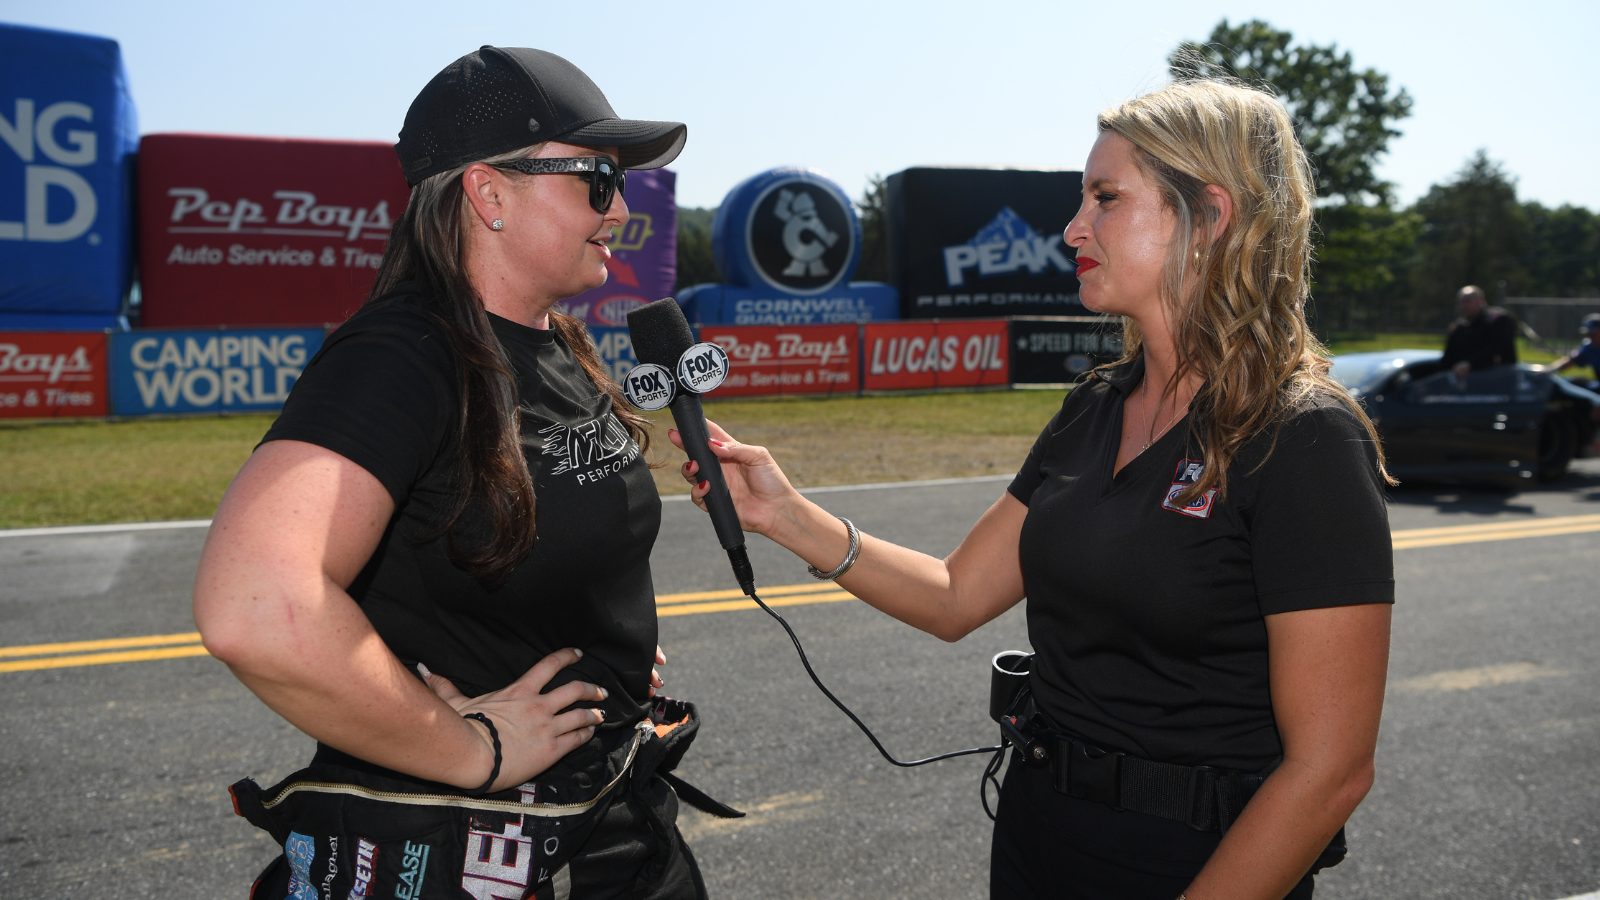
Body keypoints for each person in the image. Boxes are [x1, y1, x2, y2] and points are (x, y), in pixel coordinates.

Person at [674, 80, 1394, 899]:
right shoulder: (1094, 406)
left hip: (1194, 865)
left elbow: (1330, 771)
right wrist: (785, 514)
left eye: (1106, 198)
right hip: (1038, 837)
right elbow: (955, 596)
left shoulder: (1304, 438)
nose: (1072, 228)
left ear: (1212, 215)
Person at [193, 46, 716, 899]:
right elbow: (256, 606)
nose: (618, 207)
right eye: (594, 177)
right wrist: (470, 748)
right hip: (483, 850)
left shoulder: (554, 341)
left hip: (612, 822)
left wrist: (602, 640)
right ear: (487, 192)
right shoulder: (402, 357)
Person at [1441, 284, 1519, 378]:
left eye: (1467, 301)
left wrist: (1471, 364)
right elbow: (1447, 359)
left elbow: (1496, 348)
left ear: (1480, 301)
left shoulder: (1499, 320)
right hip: (1467, 385)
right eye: (1461, 302)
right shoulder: (1458, 328)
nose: (1463, 306)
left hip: (1497, 382)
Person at [1547, 313, 1600, 386]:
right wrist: (1547, 371)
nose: (1590, 337)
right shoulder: (1590, 348)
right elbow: (1570, 361)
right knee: (1574, 383)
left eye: (1593, 334)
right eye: (1588, 334)